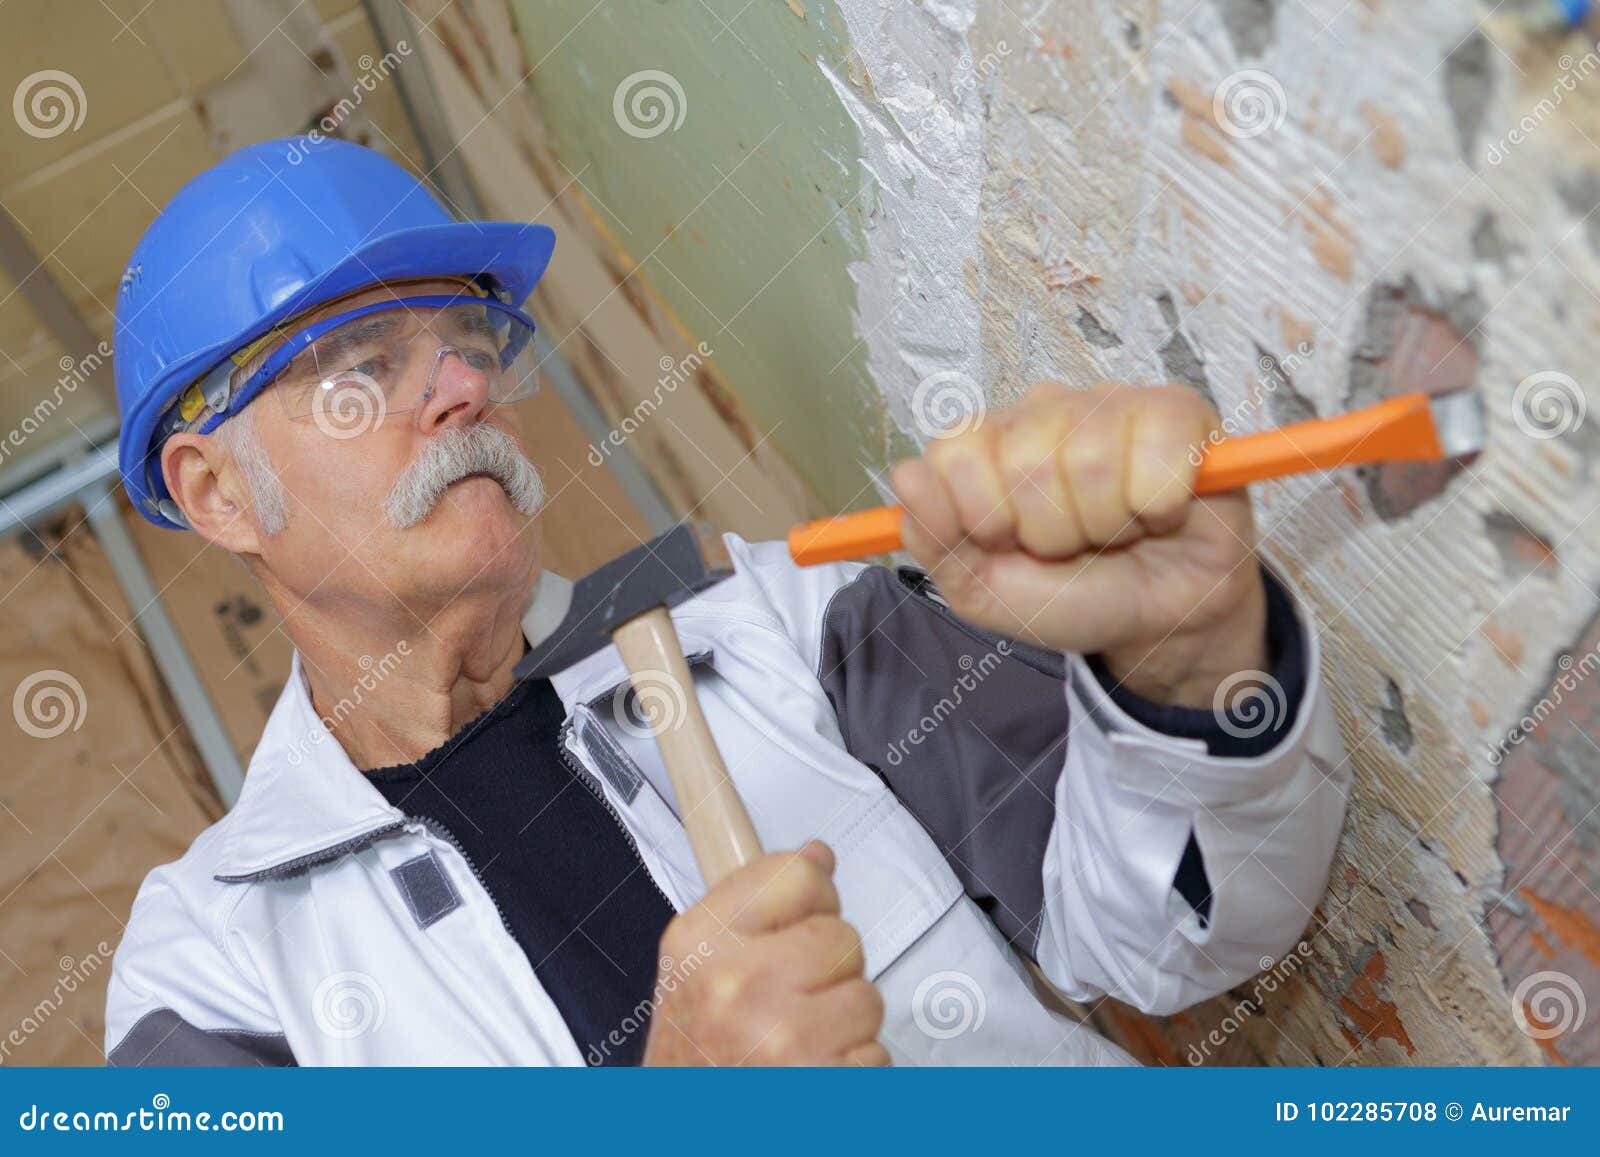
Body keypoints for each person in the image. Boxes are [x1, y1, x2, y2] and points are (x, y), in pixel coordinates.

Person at [103, 137, 1347, 1067]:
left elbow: (1181, 941)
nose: (461, 390)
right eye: (362, 365)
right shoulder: (212, 963)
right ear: (215, 490)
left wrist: (1192, 669)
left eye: (471, 344)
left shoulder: (778, 620)